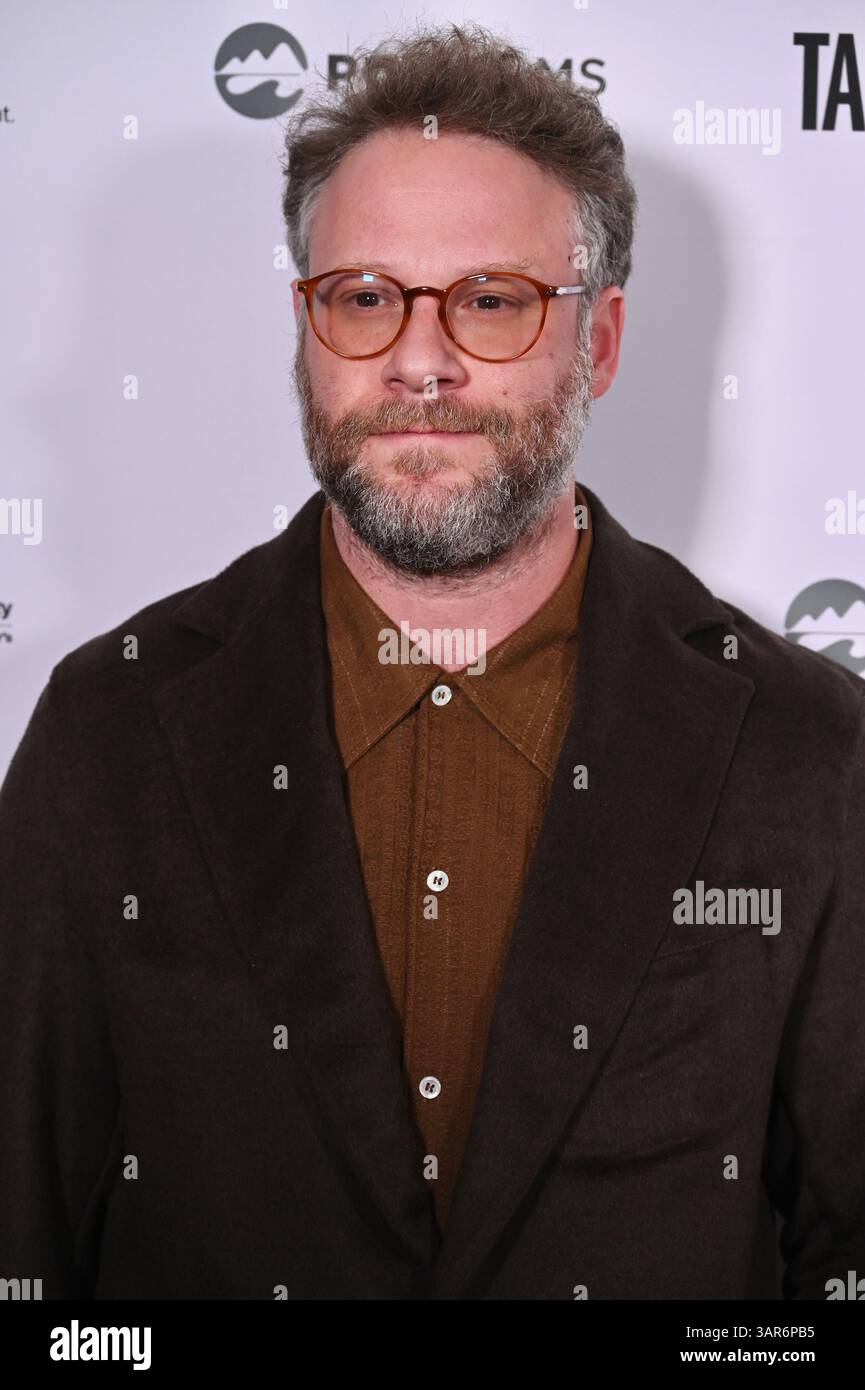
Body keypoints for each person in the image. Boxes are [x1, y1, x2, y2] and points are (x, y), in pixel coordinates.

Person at [1, 22, 862, 1301]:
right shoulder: (109, 726)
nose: (418, 360)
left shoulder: (811, 748)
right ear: (306, 334)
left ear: (602, 341)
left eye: (490, 302)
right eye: (363, 298)